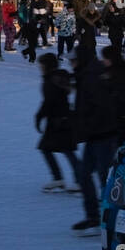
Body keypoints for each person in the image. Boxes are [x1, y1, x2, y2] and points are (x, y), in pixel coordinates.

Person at [72, 45, 125, 235]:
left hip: (105, 135)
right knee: (85, 175)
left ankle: (116, 219)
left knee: (106, 179)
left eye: (73, 60)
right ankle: (93, 216)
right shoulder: (90, 75)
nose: (71, 63)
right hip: (96, 135)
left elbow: (105, 107)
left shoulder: (96, 77)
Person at [35, 54, 81, 192]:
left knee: (67, 151)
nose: (40, 67)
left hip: (60, 121)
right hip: (60, 120)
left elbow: (49, 102)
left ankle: (79, 181)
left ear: (47, 65)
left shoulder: (51, 80)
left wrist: (39, 116)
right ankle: (58, 179)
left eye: (41, 64)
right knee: (48, 149)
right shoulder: (58, 77)